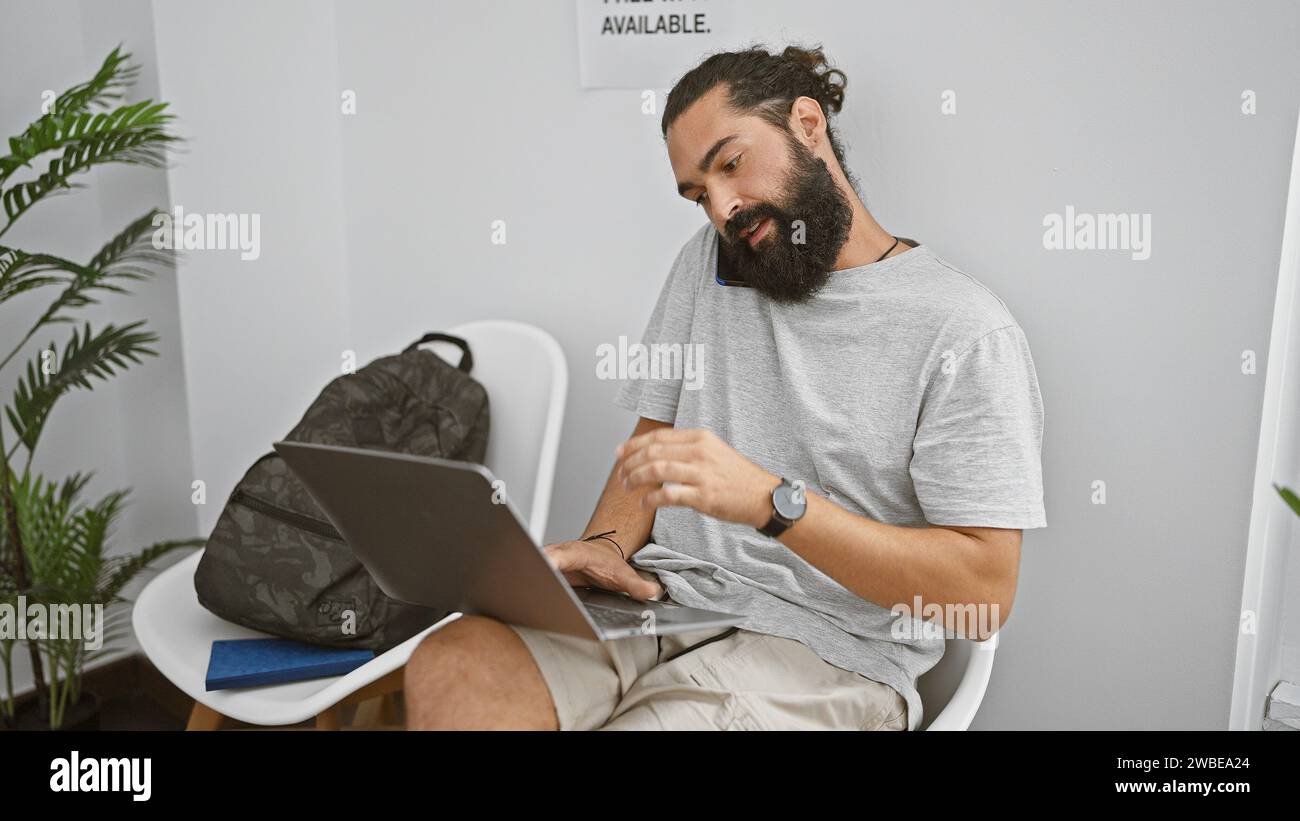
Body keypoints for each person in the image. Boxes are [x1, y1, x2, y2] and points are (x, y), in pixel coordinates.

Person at [404, 43, 1046, 731]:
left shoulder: (962, 329)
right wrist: (609, 546)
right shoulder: (711, 263)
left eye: (730, 164)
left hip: (826, 651)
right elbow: (654, 442)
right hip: (665, 600)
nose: (722, 209)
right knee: (454, 658)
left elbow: (983, 587)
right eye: (698, 194)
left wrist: (773, 504)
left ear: (807, 123)